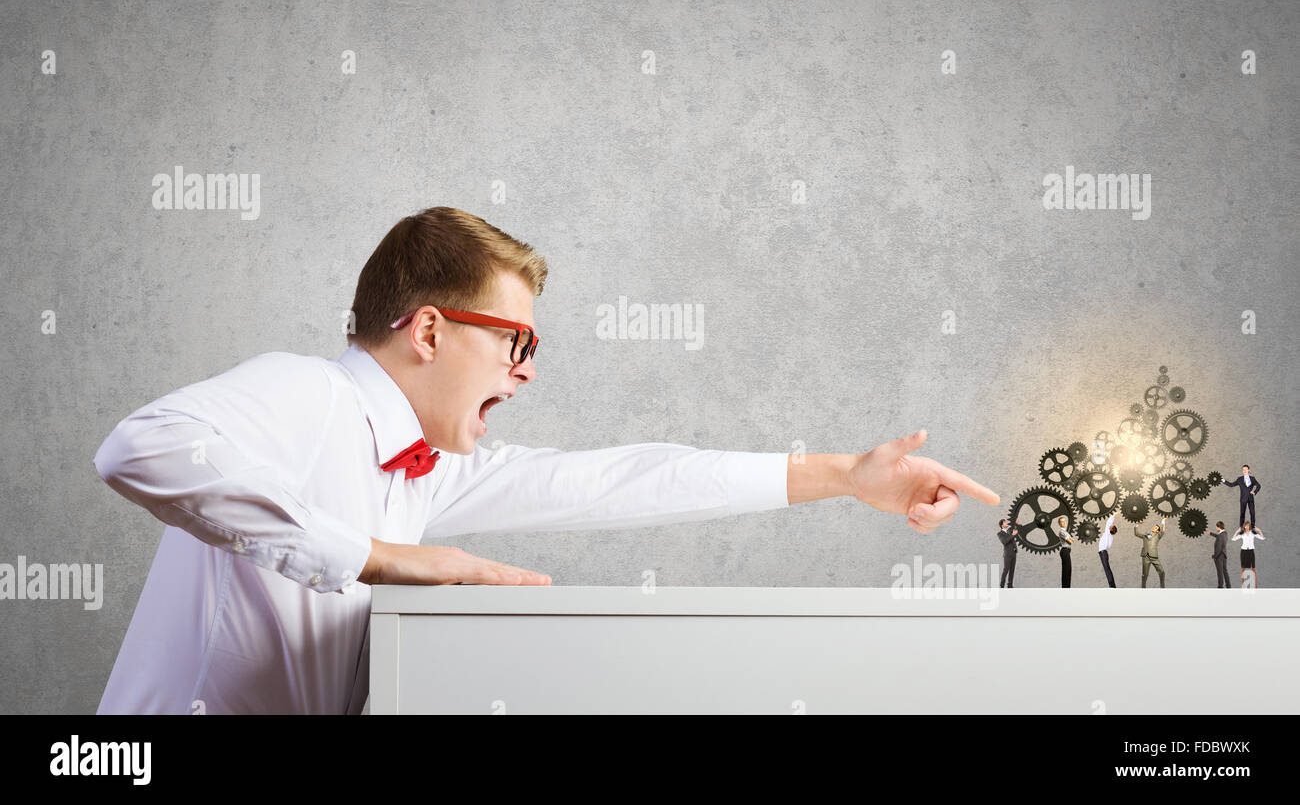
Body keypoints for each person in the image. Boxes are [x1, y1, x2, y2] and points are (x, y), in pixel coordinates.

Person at [92, 206, 1001, 714]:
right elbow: (139, 446)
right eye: (515, 342)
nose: (525, 373)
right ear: (431, 329)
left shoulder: (423, 463)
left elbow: (620, 478)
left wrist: (845, 475)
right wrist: (378, 557)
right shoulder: (307, 393)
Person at [1134, 516, 1168, 588]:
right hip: (1145, 556)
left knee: (1162, 572)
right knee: (1144, 574)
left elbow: (1163, 531)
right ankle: (1143, 588)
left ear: (1157, 531)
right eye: (1154, 528)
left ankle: (1162, 587)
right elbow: (1136, 533)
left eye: (1156, 528)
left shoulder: (1158, 536)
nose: (1154, 529)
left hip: (1154, 556)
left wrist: (1163, 522)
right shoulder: (1145, 535)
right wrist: (1137, 525)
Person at [1232, 521, 1265, 588]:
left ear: (1249, 526)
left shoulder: (1252, 533)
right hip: (1243, 552)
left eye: (1248, 525)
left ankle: (1255, 586)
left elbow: (1262, 538)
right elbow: (1233, 539)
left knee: (1253, 568)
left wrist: (1259, 530)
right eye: (1245, 525)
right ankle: (1243, 585)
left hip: (1251, 551)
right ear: (1244, 526)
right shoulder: (1242, 534)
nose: (1246, 527)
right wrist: (1237, 531)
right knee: (1243, 569)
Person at [1097, 511, 1118, 588]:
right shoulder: (1110, 537)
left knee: (1107, 569)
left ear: (1111, 529)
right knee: (1107, 569)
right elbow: (1108, 546)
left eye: (1111, 526)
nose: (1110, 526)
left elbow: (1108, 522)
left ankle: (1112, 585)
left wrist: (1114, 515)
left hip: (1103, 553)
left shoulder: (1107, 533)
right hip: (1104, 553)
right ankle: (1112, 585)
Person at [997, 518, 1018, 588]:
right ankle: (1002, 585)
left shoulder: (1009, 531)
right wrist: (1012, 535)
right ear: (1002, 525)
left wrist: (1016, 523)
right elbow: (1004, 542)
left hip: (1014, 553)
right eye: (1005, 522)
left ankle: (1010, 585)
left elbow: (1015, 529)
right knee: (1006, 569)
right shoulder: (1000, 534)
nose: (1007, 523)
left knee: (1012, 570)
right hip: (1007, 554)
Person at [1209, 520, 1230, 588]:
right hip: (1224, 555)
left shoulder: (1221, 536)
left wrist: (1214, 556)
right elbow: (1218, 537)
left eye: (1216, 527)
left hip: (1219, 556)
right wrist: (1210, 533)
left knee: (1220, 572)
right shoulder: (1225, 534)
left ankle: (1220, 586)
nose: (1216, 528)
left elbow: (1218, 548)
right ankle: (1228, 585)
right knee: (1225, 571)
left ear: (1219, 527)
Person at [1056, 515, 1074, 588]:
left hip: (1067, 551)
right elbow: (1071, 541)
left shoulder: (1065, 531)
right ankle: (1065, 588)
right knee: (1066, 570)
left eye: (1064, 521)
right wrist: (1070, 539)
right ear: (1059, 524)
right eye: (1061, 522)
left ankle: (1067, 588)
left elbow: (1072, 540)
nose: (1063, 523)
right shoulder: (1061, 532)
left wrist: (1070, 539)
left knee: (1068, 569)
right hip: (1065, 551)